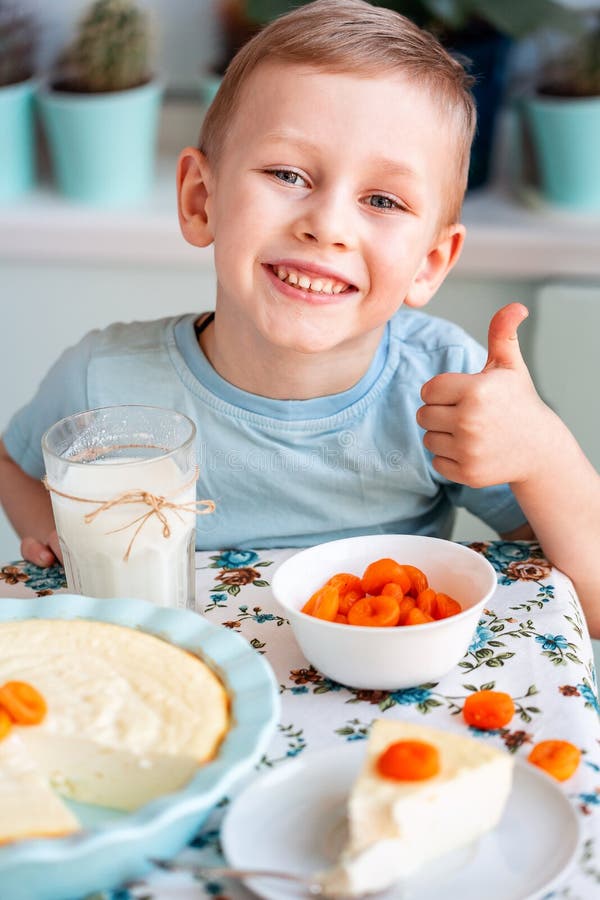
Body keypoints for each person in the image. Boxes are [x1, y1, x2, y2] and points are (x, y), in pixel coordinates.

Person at [1, 0, 599, 633]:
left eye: (382, 199)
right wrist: (43, 519)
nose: (328, 226)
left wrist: (542, 456)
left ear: (429, 262)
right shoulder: (104, 380)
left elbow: (591, 605)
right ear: (202, 200)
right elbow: (11, 462)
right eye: (287, 174)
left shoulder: (446, 385)